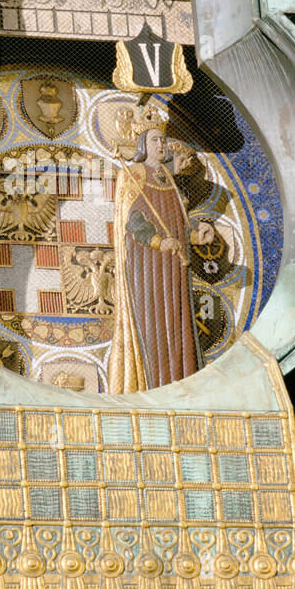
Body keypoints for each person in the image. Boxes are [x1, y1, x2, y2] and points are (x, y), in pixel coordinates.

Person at [107, 126, 215, 393]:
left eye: (163, 140)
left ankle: (180, 383)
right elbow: (133, 221)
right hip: (148, 268)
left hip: (174, 268)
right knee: (155, 324)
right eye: (155, 140)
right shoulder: (135, 173)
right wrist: (158, 241)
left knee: (177, 324)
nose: (161, 144)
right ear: (144, 144)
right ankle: (151, 383)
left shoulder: (167, 176)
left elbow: (174, 222)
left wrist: (195, 236)